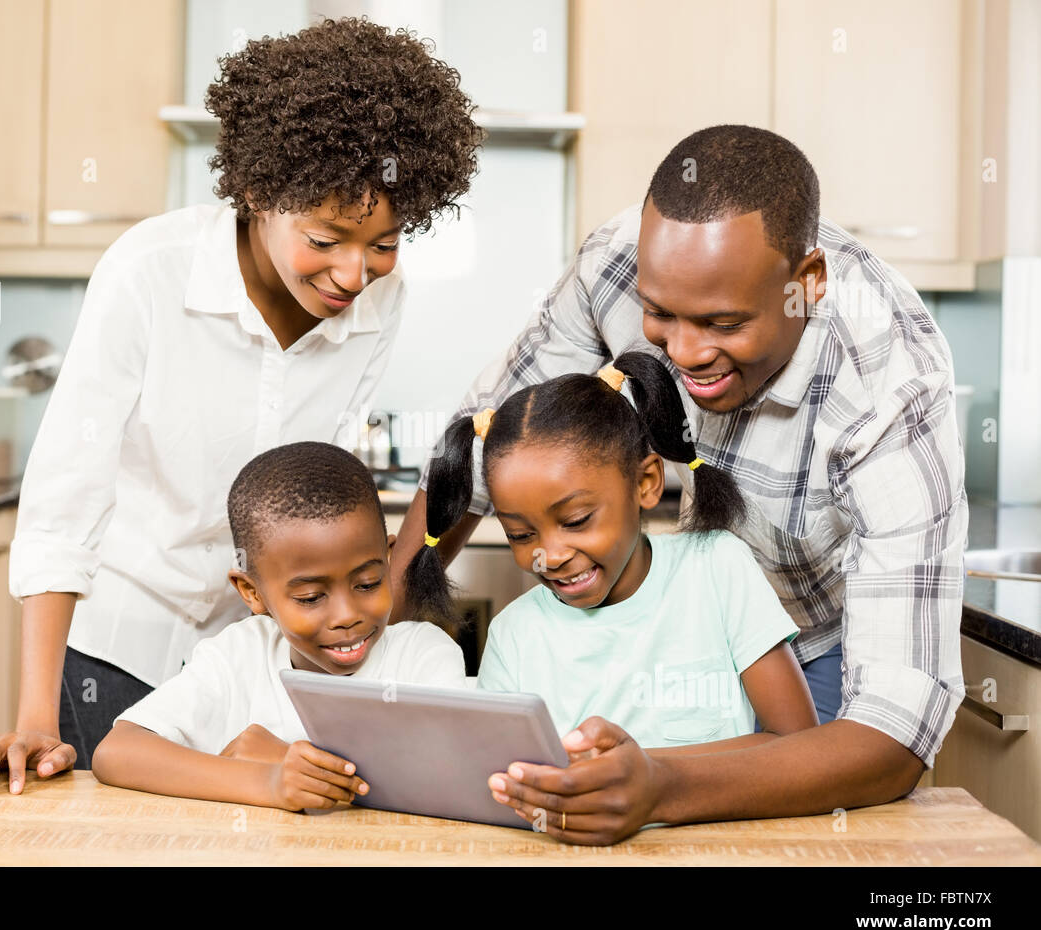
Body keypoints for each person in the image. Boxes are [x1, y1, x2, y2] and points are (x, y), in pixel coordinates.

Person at [389, 124, 968, 845]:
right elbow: (487, 445)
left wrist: (660, 781)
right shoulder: (617, 263)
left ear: (806, 283)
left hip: (816, 646)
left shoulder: (891, 384)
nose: (687, 354)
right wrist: (365, 627)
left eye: (724, 322)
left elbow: (893, 734)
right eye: (660, 317)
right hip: (672, 638)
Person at [0, 17, 483, 794]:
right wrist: (36, 714)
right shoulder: (149, 272)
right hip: (123, 645)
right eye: (327, 237)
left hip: (263, 654)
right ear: (257, 191)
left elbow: (322, 470)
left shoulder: (383, 300)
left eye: (382, 243)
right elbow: (63, 499)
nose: (354, 273)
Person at [405, 355, 817, 785]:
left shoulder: (716, 568)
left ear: (646, 483)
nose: (552, 554)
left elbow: (797, 743)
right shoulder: (515, 635)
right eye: (521, 535)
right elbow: (498, 777)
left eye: (577, 520)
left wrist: (648, 776)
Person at [91, 442, 467, 810]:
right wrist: (270, 783)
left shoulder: (424, 657)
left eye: (367, 584)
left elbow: (453, 778)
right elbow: (117, 752)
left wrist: (282, 757)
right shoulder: (239, 655)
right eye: (310, 597)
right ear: (252, 593)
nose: (346, 615)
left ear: (389, 560)